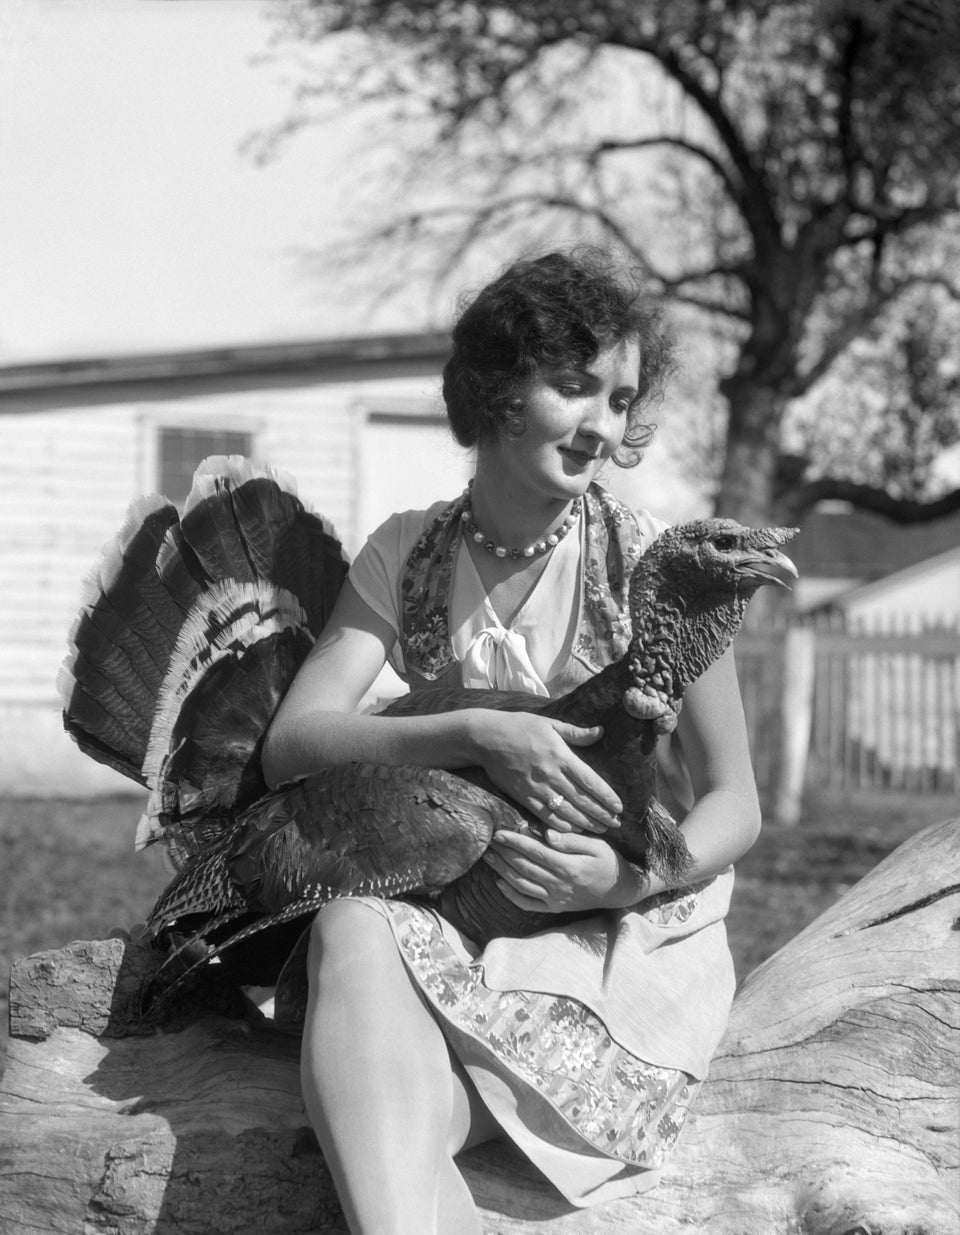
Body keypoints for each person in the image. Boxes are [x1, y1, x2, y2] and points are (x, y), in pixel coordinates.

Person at [260, 248, 761, 1235]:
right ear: (494, 390)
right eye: (573, 386)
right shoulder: (407, 550)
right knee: (350, 925)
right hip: (448, 897)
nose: (601, 424)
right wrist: (478, 732)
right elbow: (294, 745)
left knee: (377, 1109)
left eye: (619, 399)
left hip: (605, 919)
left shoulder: (655, 566)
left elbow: (735, 800)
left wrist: (623, 882)